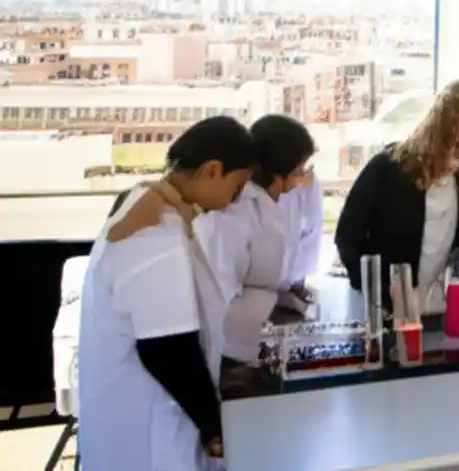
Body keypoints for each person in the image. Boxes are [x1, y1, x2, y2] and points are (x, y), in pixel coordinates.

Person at [78, 117, 255, 470]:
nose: (234, 201)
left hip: (140, 414)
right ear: (212, 169)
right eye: (236, 186)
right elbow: (167, 351)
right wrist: (213, 427)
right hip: (146, 429)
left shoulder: (149, 202)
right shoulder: (154, 234)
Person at [335, 78, 459, 311]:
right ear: (452, 122)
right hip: (379, 307)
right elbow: (347, 237)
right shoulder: (387, 167)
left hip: (429, 304)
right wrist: (376, 290)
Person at [199, 114, 323, 368]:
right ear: (280, 170)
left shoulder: (276, 200)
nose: (304, 176)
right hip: (231, 347)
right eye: (299, 169)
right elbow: (223, 295)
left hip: (266, 332)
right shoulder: (234, 213)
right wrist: (274, 306)